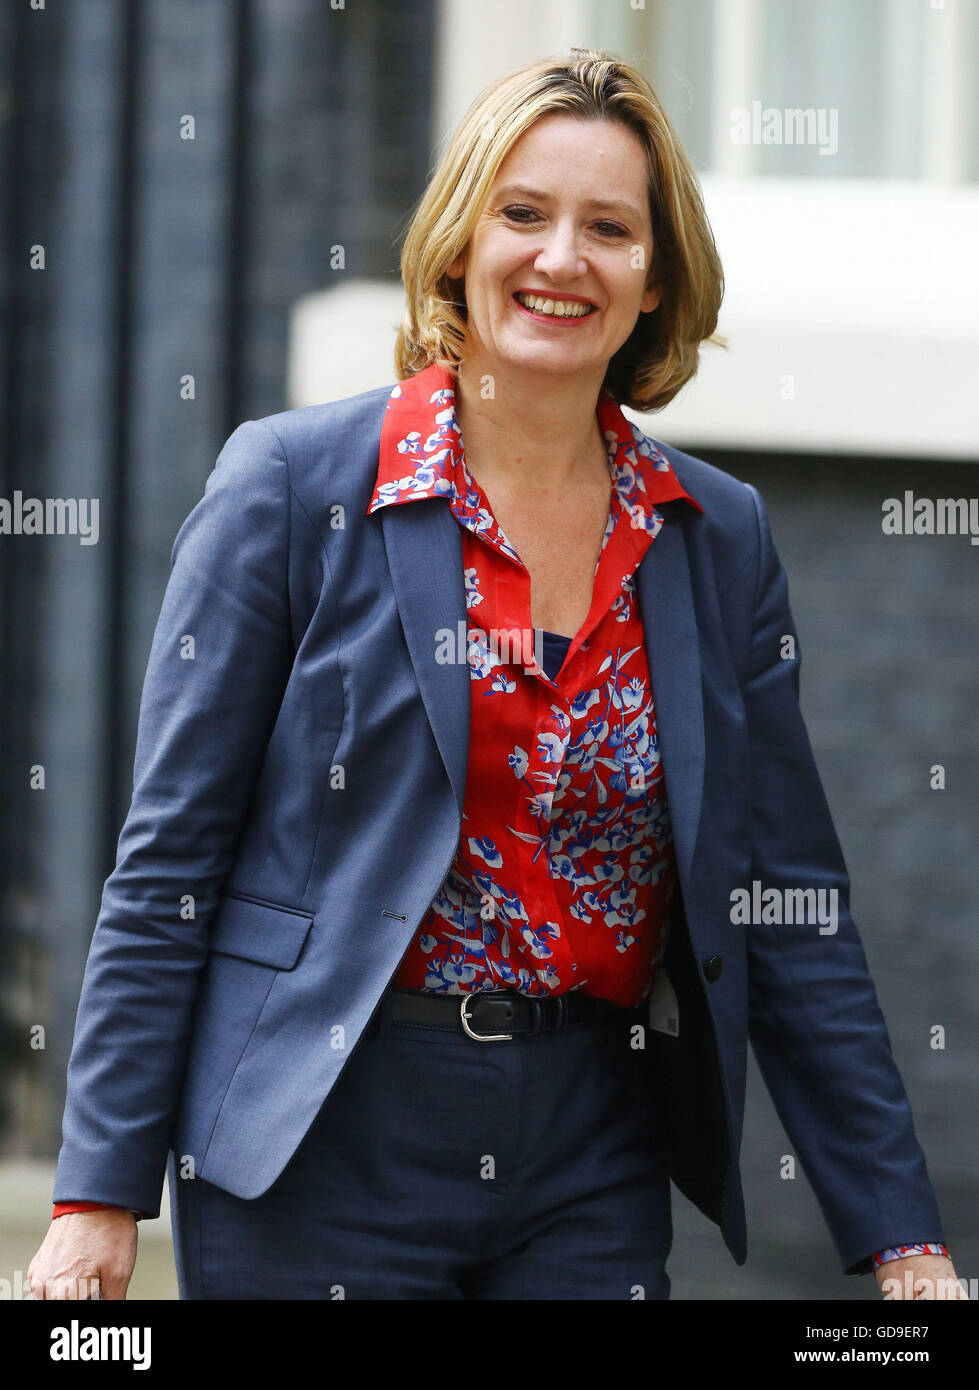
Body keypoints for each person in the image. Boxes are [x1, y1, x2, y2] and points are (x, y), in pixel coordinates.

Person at [29, 49, 959, 1302]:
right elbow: (169, 864)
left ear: (656, 279)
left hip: (591, 1142)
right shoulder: (296, 487)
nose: (561, 257)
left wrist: (901, 1239)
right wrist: (96, 1197)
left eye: (609, 228)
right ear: (459, 240)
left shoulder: (714, 536)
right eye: (523, 213)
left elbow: (786, 901)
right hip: (321, 1139)